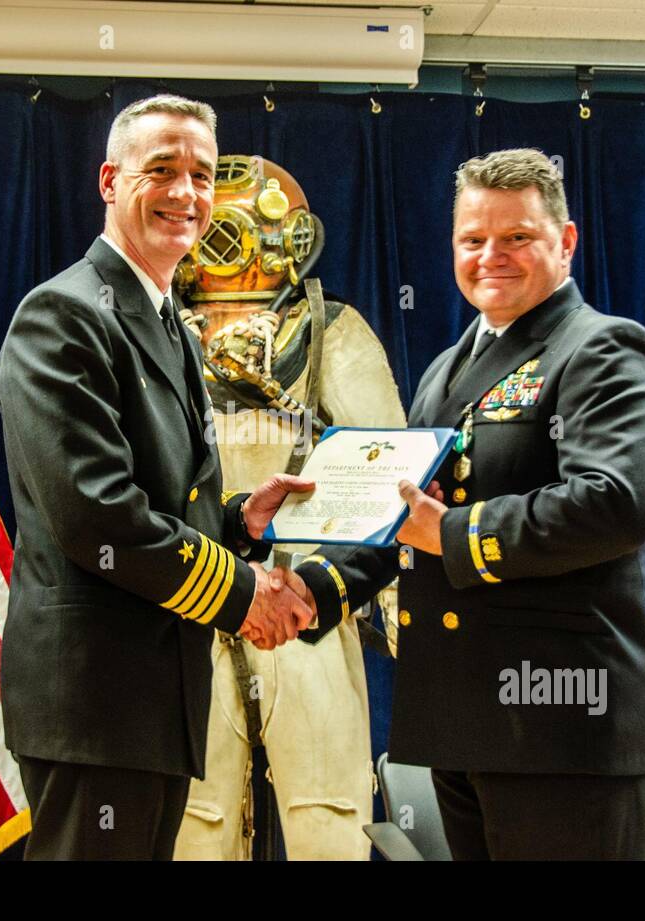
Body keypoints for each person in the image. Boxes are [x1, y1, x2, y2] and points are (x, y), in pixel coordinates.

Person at [282, 147, 645, 859]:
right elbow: (402, 515)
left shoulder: (603, 349)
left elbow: (616, 502)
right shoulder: (448, 367)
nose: (491, 255)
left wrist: (460, 534)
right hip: (461, 723)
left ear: (566, 241)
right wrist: (312, 590)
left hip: (561, 729)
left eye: (517, 237)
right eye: (473, 240)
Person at [0, 95, 314, 860]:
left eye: (201, 175)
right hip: (95, 703)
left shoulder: (168, 321)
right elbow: (97, 517)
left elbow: (163, 497)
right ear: (110, 180)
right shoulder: (63, 316)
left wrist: (239, 521)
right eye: (161, 170)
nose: (186, 193)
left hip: (152, 701)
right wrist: (243, 593)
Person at [169, 155, 407, 860]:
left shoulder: (330, 331)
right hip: (194, 606)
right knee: (196, 823)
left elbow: (390, 487)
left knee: (327, 817)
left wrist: (361, 599)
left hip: (306, 608)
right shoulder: (154, 337)